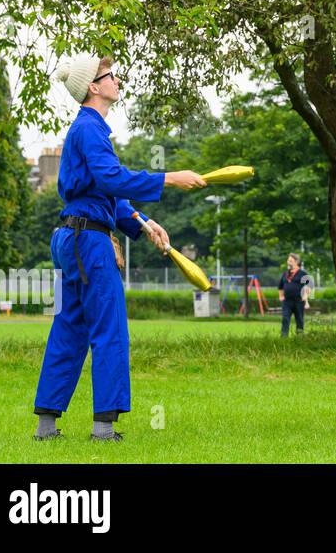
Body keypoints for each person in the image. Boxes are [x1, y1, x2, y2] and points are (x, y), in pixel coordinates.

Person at [33, 53, 206, 441]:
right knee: (109, 330)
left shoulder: (89, 130)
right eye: (111, 75)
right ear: (94, 87)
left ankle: (46, 427)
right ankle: (103, 429)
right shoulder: (89, 129)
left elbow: (105, 191)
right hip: (87, 242)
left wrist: (143, 224)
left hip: (73, 237)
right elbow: (112, 178)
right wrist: (169, 178)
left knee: (71, 326)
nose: (117, 80)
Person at [278, 253, 312, 336]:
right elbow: (280, 287)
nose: (288, 262)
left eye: (290, 261)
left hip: (299, 302)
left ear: (296, 262)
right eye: (288, 260)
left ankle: (299, 337)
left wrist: (306, 296)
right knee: (285, 319)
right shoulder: (285, 274)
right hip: (287, 302)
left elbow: (309, 286)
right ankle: (283, 337)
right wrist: (281, 296)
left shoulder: (303, 274)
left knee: (299, 320)